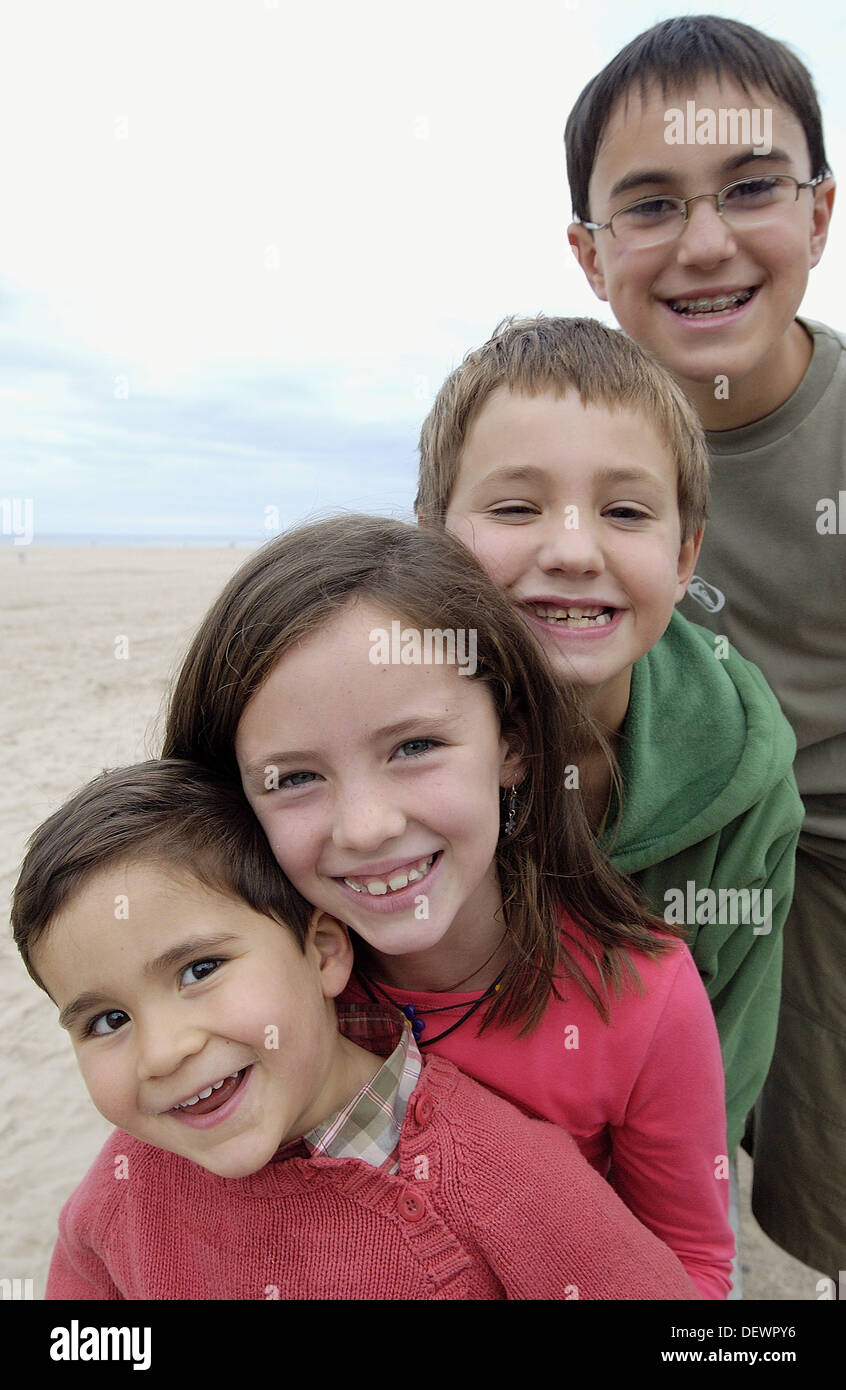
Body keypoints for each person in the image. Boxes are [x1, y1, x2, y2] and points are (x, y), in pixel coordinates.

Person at [162, 514, 733, 1297]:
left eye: (414, 747)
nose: (367, 827)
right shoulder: (245, 998)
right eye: (294, 778)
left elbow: (693, 1269)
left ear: (514, 743)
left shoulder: (644, 999)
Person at [11, 759, 700, 1302]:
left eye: (199, 970)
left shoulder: (501, 1178)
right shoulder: (121, 1195)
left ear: (322, 952)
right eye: (108, 1020)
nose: (163, 1052)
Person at [564, 13, 843, 1280]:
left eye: (750, 189)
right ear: (590, 249)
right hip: (618, 868)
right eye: (652, 204)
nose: (708, 242)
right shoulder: (552, 446)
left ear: (822, 214)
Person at [415, 315, 803, 1174]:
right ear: (430, 535)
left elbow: (717, 1083)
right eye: (515, 507)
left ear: (685, 554)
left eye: (625, 511)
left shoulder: (749, 783)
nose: (572, 549)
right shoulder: (359, 741)